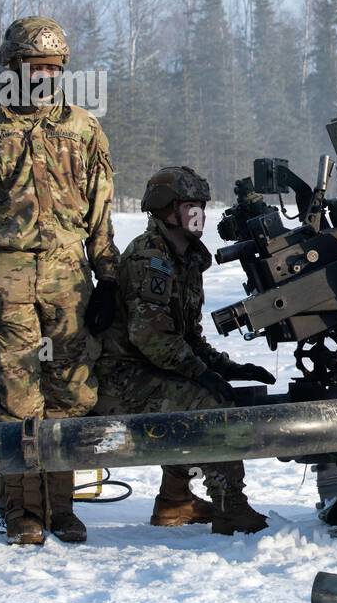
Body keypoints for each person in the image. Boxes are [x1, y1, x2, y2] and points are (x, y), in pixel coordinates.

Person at [0, 16, 119, 545]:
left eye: (53, 67)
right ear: (12, 67)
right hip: (9, 277)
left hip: (70, 278)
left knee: (70, 394)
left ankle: (61, 506)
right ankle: (21, 510)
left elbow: (101, 210)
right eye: (34, 66)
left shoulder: (83, 128)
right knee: (18, 398)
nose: (45, 75)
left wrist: (108, 276)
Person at [94, 166, 276, 535]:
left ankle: (175, 503)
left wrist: (227, 368)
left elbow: (187, 336)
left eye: (202, 206)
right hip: (121, 378)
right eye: (190, 205)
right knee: (209, 407)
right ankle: (231, 509)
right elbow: (152, 338)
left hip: (148, 369)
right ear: (165, 210)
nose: (200, 214)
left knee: (201, 392)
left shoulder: (187, 258)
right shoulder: (150, 260)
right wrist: (203, 376)